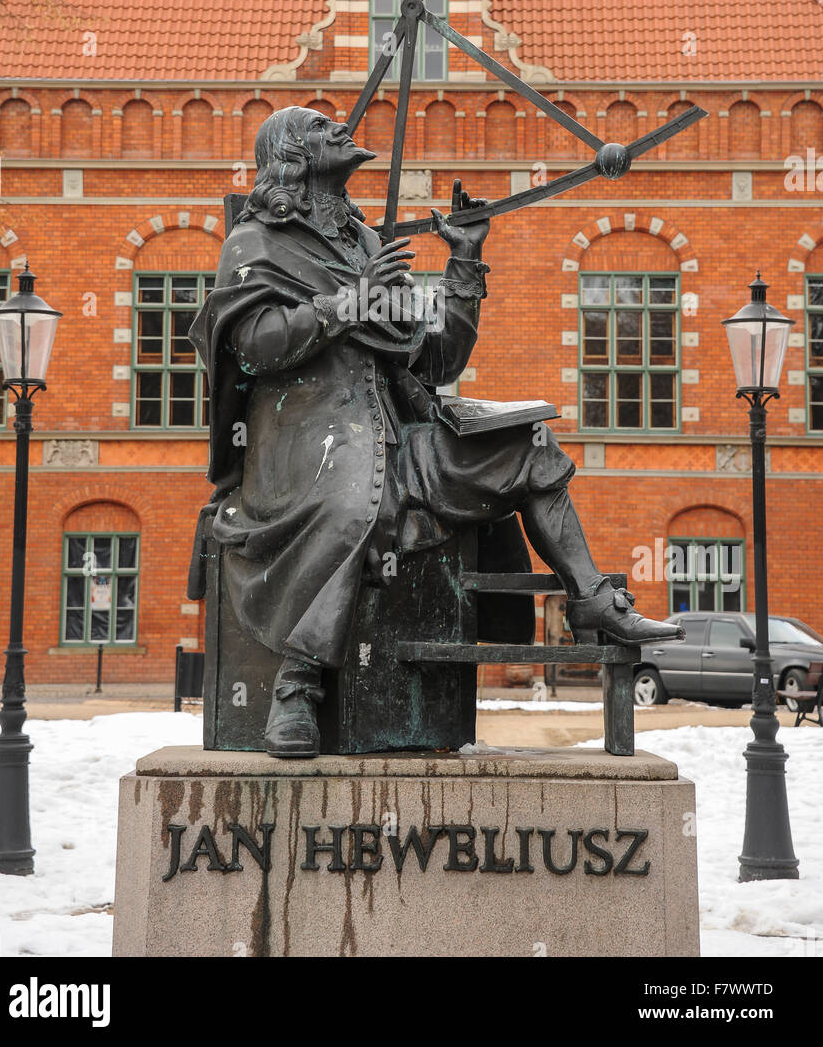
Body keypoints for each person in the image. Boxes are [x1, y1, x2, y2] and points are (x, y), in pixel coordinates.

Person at [189, 106, 682, 758]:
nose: (340, 126)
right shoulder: (255, 243)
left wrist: (465, 265)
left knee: (529, 448)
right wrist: (346, 302)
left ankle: (590, 599)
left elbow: (436, 359)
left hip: (395, 436)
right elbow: (252, 347)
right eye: (320, 124)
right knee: (348, 507)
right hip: (306, 444)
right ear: (293, 155)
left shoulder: (365, 245)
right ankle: (296, 687)